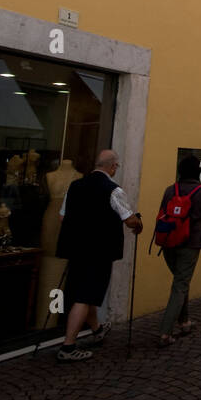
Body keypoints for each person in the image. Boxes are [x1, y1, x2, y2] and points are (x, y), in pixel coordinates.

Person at [55, 149, 142, 363]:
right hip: (99, 251)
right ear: (112, 167)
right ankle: (68, 346)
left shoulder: (75, 186)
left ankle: (97, 330)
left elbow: (61, 217)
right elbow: (128, 220)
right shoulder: (113, 190)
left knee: (86, 293)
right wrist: (138, 223)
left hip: (76, 249)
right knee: (85, 296)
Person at [157, 155, 201, 349]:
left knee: (181, 281)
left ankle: (184, 322)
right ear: (198, 172)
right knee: (181, 284)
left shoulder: (169, 190)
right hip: (190, 244)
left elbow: (162, 215)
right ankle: (165, 331)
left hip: (167, 243)